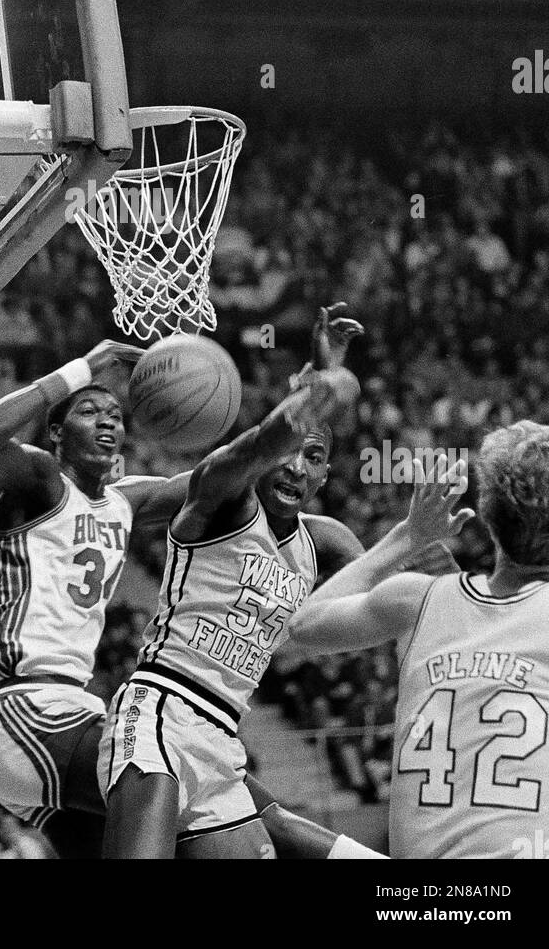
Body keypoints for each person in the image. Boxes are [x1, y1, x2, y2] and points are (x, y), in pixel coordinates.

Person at [0, 330, 374, 859]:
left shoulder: (123, 502)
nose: (109, 420)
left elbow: (239, 472)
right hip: (25, 711)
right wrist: (84, 367)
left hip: (67, 712)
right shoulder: (39, 483)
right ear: (57, 432)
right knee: (228, 795)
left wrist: (305, 390)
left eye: (116, 413)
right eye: (90, 411)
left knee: (206, 814)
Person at [97, 305, 387, 858]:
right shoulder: (228, 494)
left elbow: (383, 603)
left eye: (315, 459)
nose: (297, 468)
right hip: (162, 711)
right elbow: (256, 446)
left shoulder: (323, 541)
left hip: (223, 737)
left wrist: (416, 543)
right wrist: (319, 388)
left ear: (327, 473)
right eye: (290, 453)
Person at [288, 420, 549, 859]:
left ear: (488, 515)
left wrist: (406, 536)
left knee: (271, 820)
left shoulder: (417, 597)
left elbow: (302, 626)